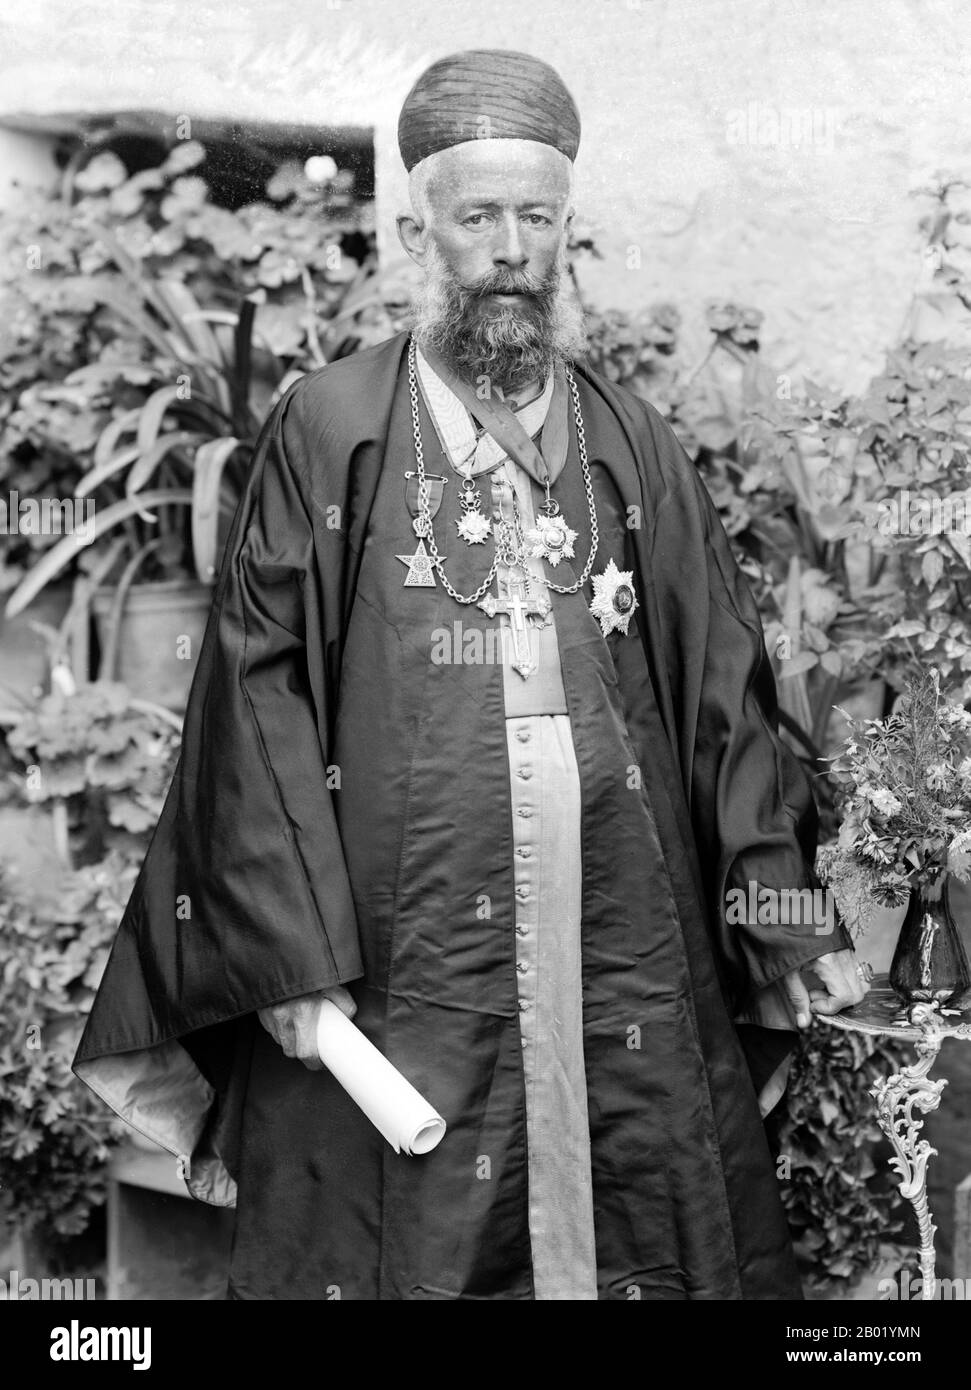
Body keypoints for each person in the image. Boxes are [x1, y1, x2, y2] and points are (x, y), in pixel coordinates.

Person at [75, 48, 867, 1301]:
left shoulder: (630, 439)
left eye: (535, 218)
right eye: (477, 215)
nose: (508, 245)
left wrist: (778, 913)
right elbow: (257, 698)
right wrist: (289, 957)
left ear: (565, 232)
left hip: (620, 917)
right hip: (407, 936)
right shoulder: (329, 425)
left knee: (637, 1198)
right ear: (416, 229)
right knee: (420, 1238)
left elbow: (724, 691)